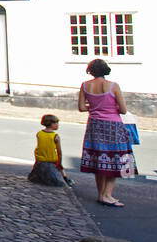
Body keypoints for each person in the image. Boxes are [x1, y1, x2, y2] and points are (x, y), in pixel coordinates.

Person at [78, 58, 135, 206]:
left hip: (94, 125)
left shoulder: (85, 86)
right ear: (106, 70)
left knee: (99, 159)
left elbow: (82, 107)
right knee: (115, 159)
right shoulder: (113, 86)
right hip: (113, 126)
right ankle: (108, 195)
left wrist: (95, 107)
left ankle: (100, 194)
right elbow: (123, 109)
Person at [31, 114, 73, 187]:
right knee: (60, 167)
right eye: (56, 123)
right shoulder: (55, 136)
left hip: (40, 157)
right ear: (51, 124)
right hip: (51, 158)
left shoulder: (39, 133)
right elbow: (59, 152)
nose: (57, 125)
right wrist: (60, 162)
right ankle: (65, 179)